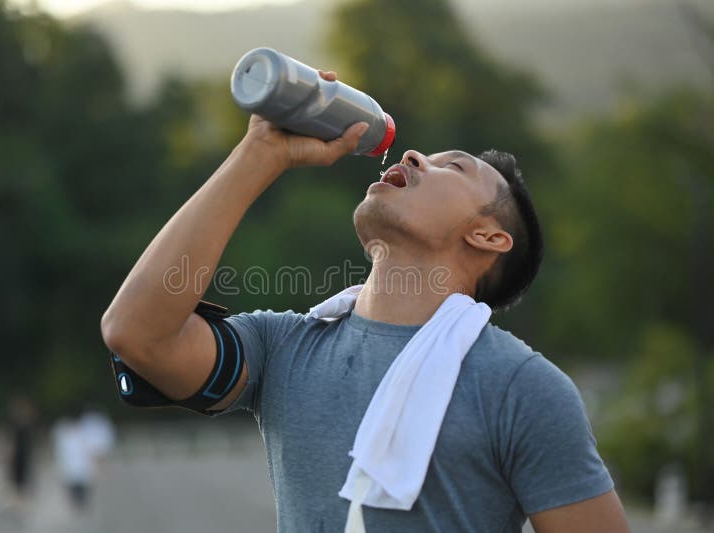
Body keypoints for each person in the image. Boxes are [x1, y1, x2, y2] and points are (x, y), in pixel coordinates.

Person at [101, 70, 630, 532]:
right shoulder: (284, 347)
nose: (414, 155)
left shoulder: (523, 390)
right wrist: (258, 154)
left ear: (488, 237)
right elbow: (136, 332)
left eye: (455, 167)